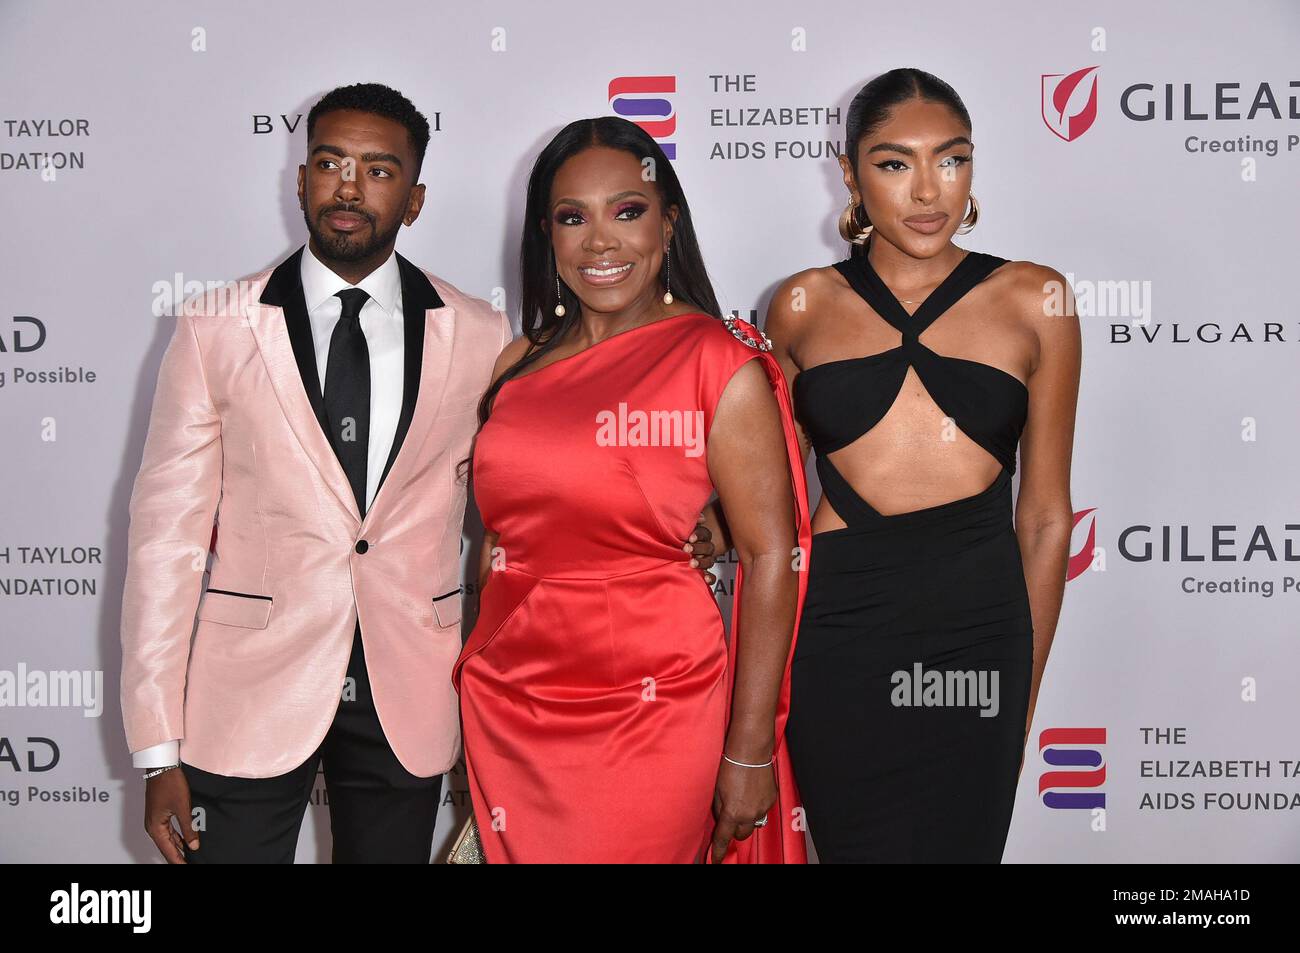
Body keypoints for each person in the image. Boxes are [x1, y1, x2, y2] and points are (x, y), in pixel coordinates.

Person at [123, 83, 507, 863]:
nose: (349, 187)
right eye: (329, 162)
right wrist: (158, 749)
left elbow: (517, 505)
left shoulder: (479, 333)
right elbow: (166, 542)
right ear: (299, 180)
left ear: (416, 196)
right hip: (248, 692)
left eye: (378, 169)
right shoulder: (216, 329)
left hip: (410, 690)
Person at [452, 117, 811, 863]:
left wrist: (749, 752)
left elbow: (773, 556)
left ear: (668, 221)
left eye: (628, 210)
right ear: (546, 235)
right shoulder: (518, 363)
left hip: (656, 708)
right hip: (510, 703)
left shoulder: (718, 360)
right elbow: (503, 535)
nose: (601, 242)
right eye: (573, 218)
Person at [767, 69, 1080, 862]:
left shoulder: (1036, 298)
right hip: (839, 636)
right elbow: (767, 501)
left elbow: (1044, 518)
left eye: (952, 158)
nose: (928, 190)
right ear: (849, 174)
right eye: (894, 163)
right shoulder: (801, 304)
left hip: (979, 633)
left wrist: (1022, 694)